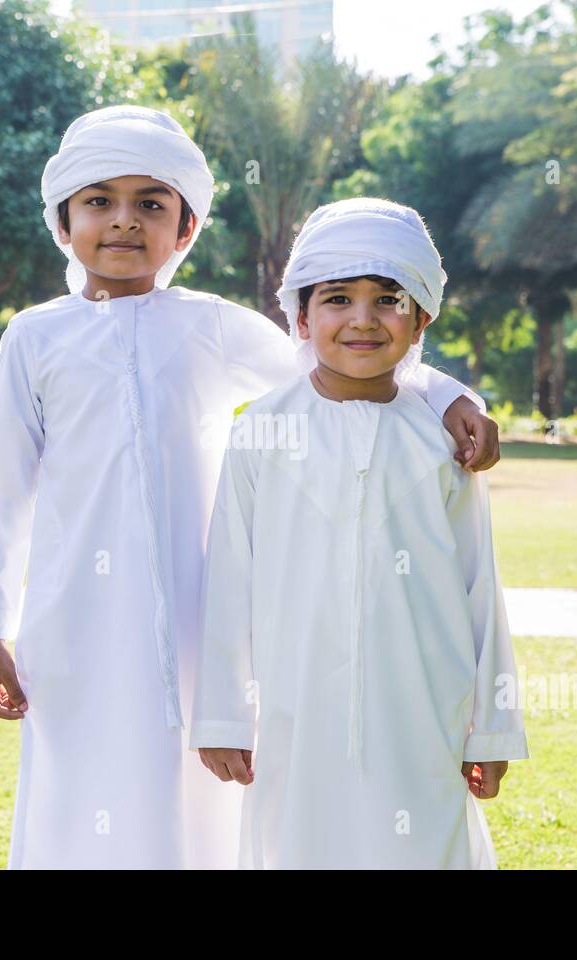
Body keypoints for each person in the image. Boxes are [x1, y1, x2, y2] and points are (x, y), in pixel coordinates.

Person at [0, 107, 502, 868]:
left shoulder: (209, 324)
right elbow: (1, 493)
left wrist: (448, 395)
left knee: (201, 800)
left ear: (185, 230)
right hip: (70, 621)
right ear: (61, 221)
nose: (123, 221)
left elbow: (340, 354)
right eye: (99, 200)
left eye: (151, 203)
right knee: (76, 796)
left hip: (195, 619)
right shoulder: (33, 337)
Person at [190, 197, 528, 868]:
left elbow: (478, 586)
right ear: (303, 315)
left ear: (422, 315)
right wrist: (225, 717)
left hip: (423, 715)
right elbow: (230, 580)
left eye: (390, 299)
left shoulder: (442, 437)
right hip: (295, 713)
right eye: (339, 299)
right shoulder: (261, 427)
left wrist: (492, 726)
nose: (364, 320)